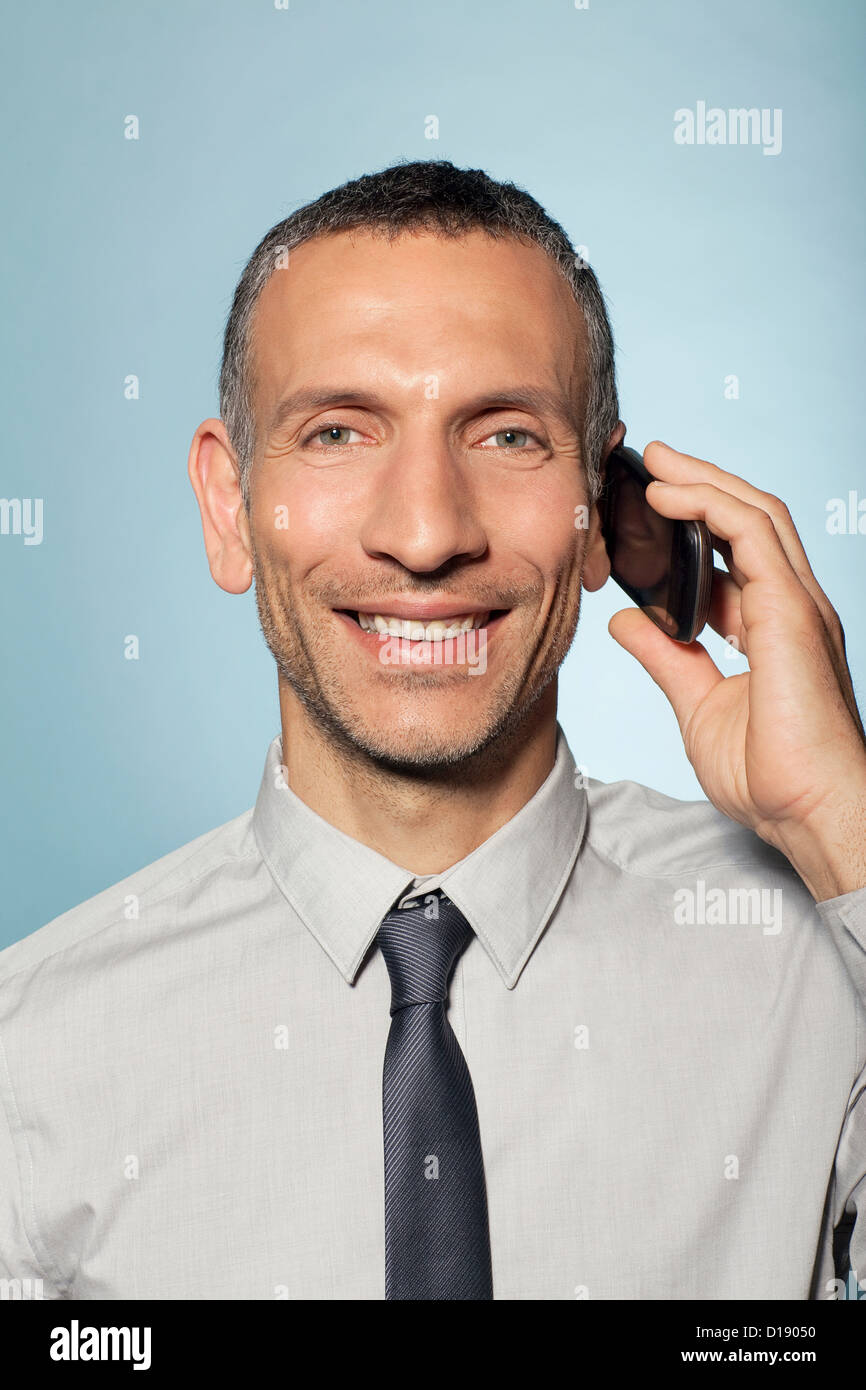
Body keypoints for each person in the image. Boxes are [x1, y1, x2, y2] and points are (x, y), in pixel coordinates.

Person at [1, 160, 864, 1301]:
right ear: (227, 507)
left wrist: (839, 815)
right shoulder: (34, 1053)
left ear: (603, 513)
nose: (422, 533)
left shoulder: (817, 965)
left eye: (505, 436)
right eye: (337, 434)